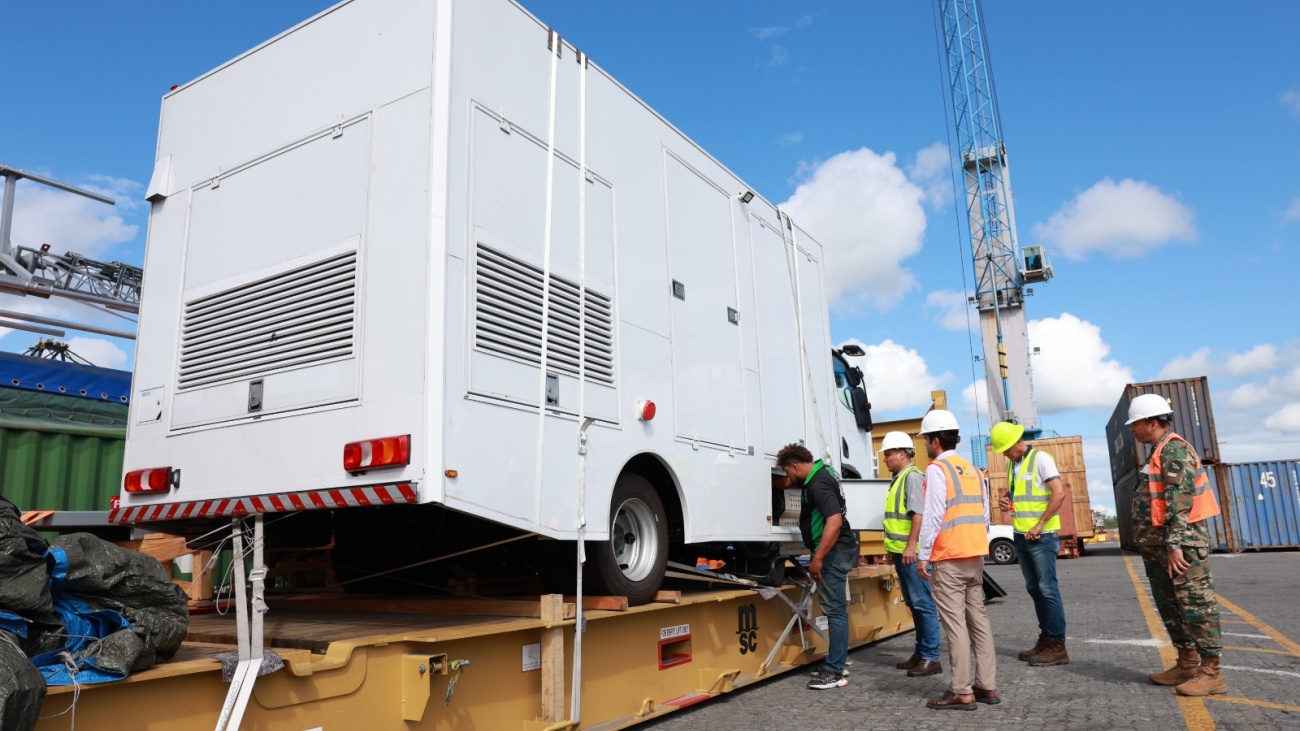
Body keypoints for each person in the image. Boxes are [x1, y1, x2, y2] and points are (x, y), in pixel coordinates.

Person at [1126, 394, 1226, 696]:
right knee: (1171, 607)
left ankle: (1212, 673)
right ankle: (1187, 663)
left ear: (1152, 422)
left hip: (1181, 546)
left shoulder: (1175, 450)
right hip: (1159, 546)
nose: (1132, 430)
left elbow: (1178, 503)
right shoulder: (1158, 451)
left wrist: (1173, 546)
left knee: (1196, 605)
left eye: (1136, 424)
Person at [915, 410, 999, 711]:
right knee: (978, 621)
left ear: (935, 440)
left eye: (926, 439)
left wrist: (924, 555)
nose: (925, 445)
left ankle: (961, 691)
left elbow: (934, 514)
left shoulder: (938, 470)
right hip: (975, 555)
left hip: (949, 557)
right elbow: (985, 516)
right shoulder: (974, 471)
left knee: (955, 626)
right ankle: (987, 686)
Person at [777, 443, 859, 690]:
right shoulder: (822, 473)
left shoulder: (818, 484)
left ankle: (835, 673)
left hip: (832, 552)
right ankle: (836, 664)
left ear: (795, 465)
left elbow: (833, 521)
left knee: (834, 612)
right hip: (838, 549)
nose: (788, 478)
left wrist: (818, 558)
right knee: (836, 610)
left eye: (787, 472)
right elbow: (791, 483)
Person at [991, 421, 1070, 666]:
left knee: (1047, 590)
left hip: (1041, 537)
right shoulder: (1013, 465)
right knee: (1035, 590)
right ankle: (1046, 639)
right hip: (1021, 536)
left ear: (1018, 441)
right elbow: (1020, 495)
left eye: (1006, 448)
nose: (1004, 453)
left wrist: (1040, 524)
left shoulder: (1041, 459)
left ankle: (1058, 645)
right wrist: (1006, 500)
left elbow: (1059, 493)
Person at [879, 430, 942, 677]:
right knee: (914, 604)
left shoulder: (912, 477)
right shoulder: (900, 478)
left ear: (902, 454)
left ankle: (931, 657)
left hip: (910, 553)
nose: (885, 460)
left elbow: (919, 514)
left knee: (923, 604)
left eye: (888, 454)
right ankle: (921, 653)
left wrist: (909, 546)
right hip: (902, 552)